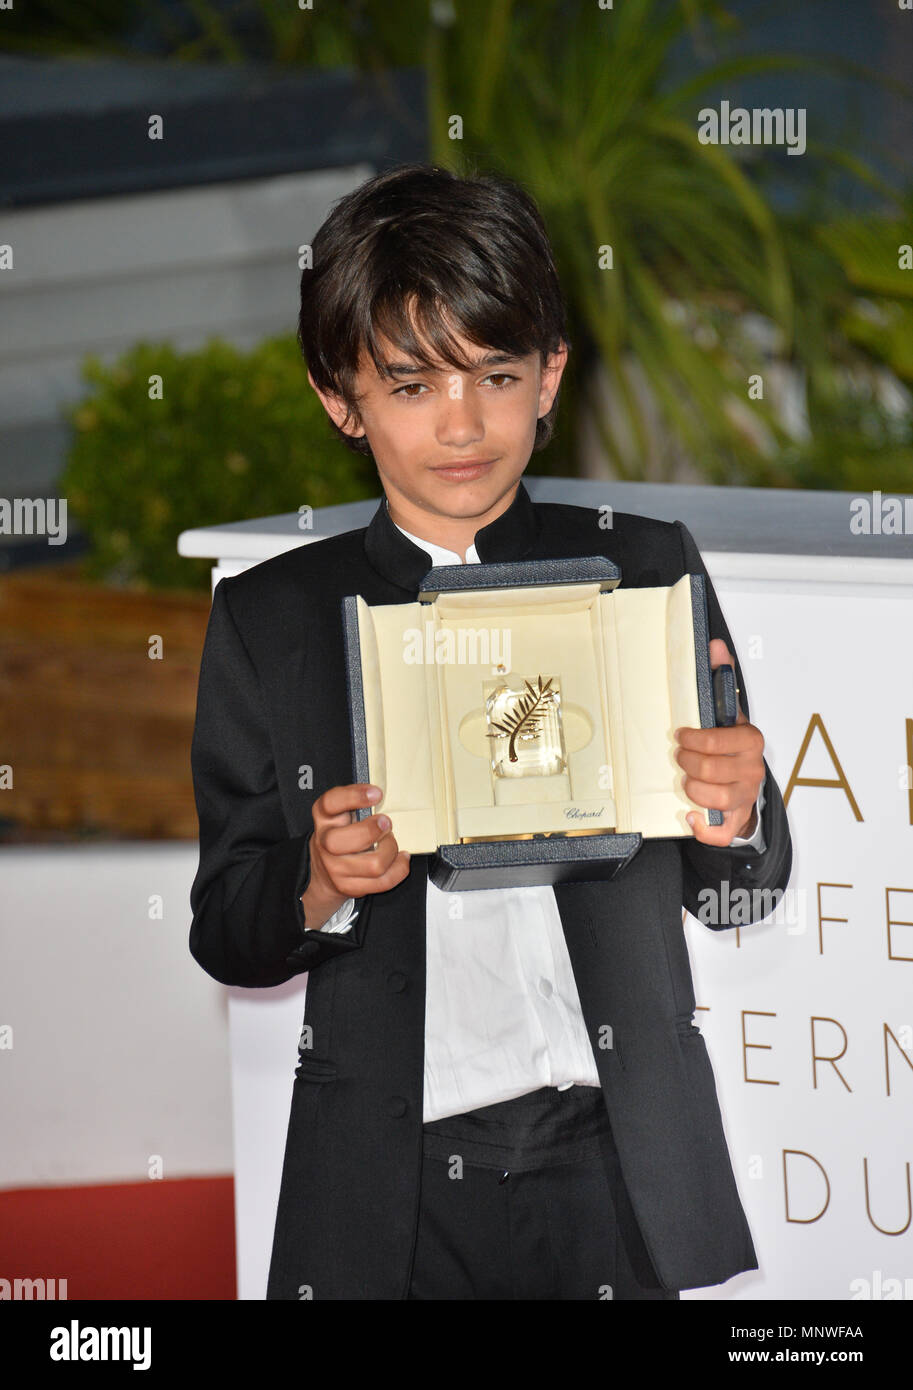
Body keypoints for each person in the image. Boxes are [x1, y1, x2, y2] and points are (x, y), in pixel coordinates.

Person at [188, 162, 792, 1301]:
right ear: (339, 395)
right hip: (394, 1184)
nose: (460, 425)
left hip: (619, 1159)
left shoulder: (644, 565)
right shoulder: (274, 618)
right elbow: (227, 927)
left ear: (550, 374)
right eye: (412, 385)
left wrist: (738, 811)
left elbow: (740, 891)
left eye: (497, 375)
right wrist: (317, 884)